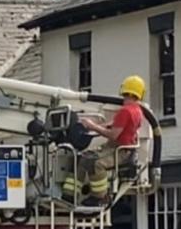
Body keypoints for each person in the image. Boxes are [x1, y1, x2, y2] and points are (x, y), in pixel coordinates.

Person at [62, 75, 146, 206]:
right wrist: (96, 127)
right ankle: (69, 194)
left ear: (125, 91)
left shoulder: (125, 111)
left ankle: (99, 197)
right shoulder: (137, 111)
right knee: (83, 157)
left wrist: (92, 126)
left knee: (96, 163)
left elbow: (113, 135)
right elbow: (115, 124)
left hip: (119, 150)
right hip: (124, 149)